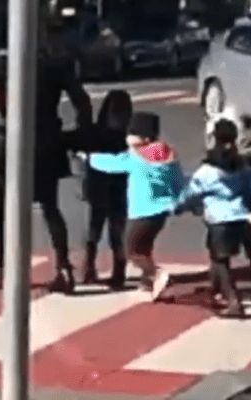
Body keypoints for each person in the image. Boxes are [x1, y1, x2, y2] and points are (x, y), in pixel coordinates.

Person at [0, 50, 93, 293]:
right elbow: (81, 99)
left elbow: (3, 101)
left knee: (7, 204)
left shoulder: (16, 61)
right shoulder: (55, 62)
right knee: (50, 205)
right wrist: (80, 134)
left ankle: (2, 265)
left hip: (19, 140)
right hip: (48, 140)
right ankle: (63, 267)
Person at [78, 111, 185, 301]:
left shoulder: (136, 157)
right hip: (161, 212)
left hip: (141, 212)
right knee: (144, 246)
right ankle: (147, 282)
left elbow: (111, 163)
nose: (127, 137)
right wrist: (179, 200)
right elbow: (178, 181)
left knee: (131, 251)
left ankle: (157, 274)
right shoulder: (168, 155)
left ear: (143, 138)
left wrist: (89, 158)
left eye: (131, 134)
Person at [177, 118, 251, 318]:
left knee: (221, 260)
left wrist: (179, 207)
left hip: (220, 221)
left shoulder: (206, 172)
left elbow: (190, 194)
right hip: (244, 216)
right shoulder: (244, 167)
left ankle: (233, 301)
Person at [73, 89, 133, 288]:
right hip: (112, 185)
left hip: (104, 184)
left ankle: (96, 268)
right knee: (107, 229)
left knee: (102, 229)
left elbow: (81, 153)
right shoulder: (126, 135)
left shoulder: (97, 131)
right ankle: (110, 269)